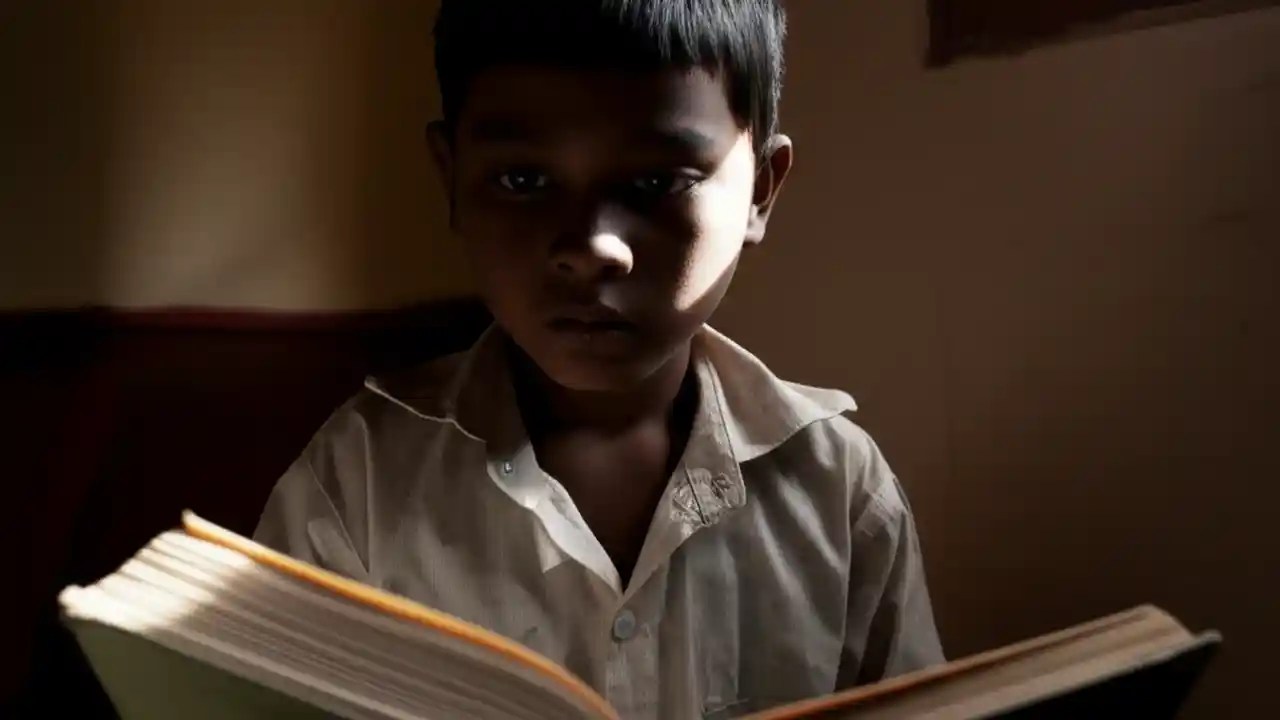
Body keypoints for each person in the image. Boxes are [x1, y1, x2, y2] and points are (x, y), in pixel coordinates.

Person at [253, 1, 944, 717]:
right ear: (451, 178)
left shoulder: (840, 494)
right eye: (524, 180)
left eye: (657, 183)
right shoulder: (353, 485)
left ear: (761, 191)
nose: (592, 246)